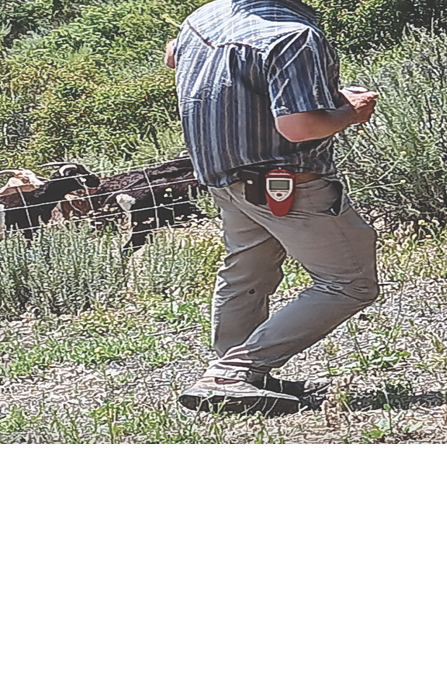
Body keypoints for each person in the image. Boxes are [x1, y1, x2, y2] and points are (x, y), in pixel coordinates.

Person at [166, 0, 381, 414]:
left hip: (223, 176)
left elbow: (174, 54)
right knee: (350, 283)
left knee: (248, 270)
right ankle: (234, 373)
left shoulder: (205, 16)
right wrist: (349, 112)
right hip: (287, 185)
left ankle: (235, 373)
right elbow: (299, 127)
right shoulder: (293, 35)